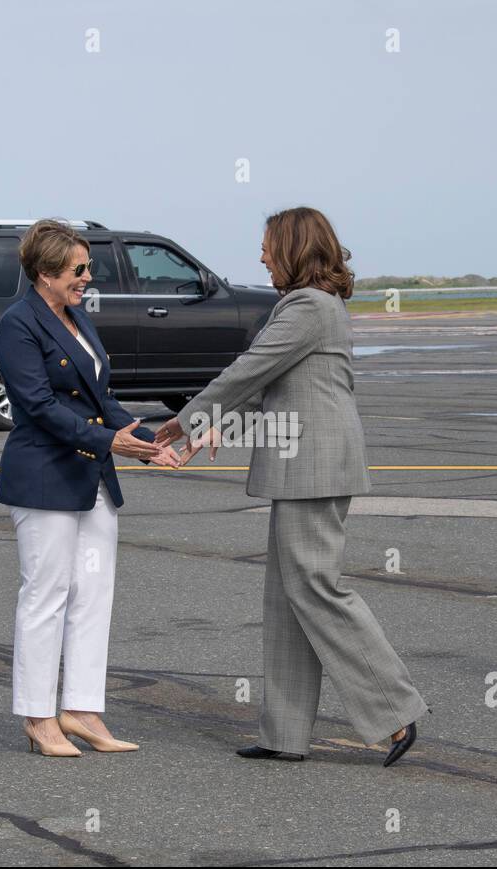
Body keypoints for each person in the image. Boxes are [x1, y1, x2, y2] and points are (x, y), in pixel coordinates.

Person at [157, 207, 428, 767]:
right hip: (306, 460)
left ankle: (397, 709)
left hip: (316, 464)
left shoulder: (306, 306)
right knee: (286, 599)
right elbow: (278, 387)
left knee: (316, 588)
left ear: (294, 248)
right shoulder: (313, 306)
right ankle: (284, 734)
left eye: (267, 246)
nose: (260, 256)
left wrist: (190, 417)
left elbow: (251, 368)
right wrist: (216, 423)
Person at [0, 219, 179, 757]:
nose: (88, 278)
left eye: (87, 268)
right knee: (45, 596)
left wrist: (147, 442)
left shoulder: (76, 318)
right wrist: (109, 442)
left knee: (93, 595)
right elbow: (40, 407)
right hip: (45, 477)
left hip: (92, 476)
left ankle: (81, 708)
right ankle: (37, 716)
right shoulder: (17, 324)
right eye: (79, 269)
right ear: (46, 273)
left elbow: (103, 400)